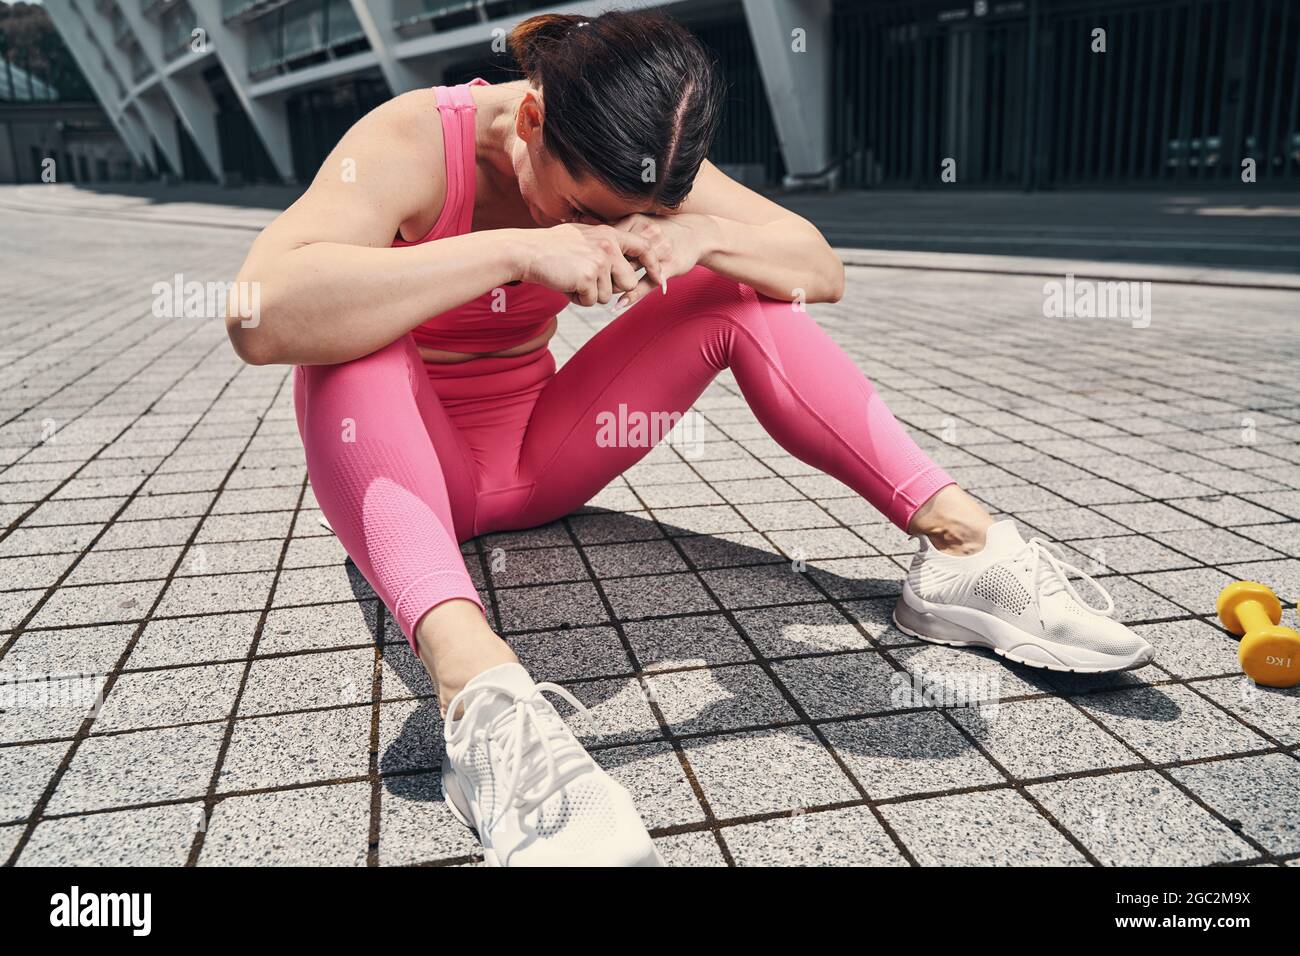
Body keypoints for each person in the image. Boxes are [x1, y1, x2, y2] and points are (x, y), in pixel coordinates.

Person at [226, 10, 1153, 866]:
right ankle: (482, 704)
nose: (592, 233)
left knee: (736, 288)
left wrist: (699, 233)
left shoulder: (648, 151)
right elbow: (259, 316)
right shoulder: (412, 138)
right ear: (537, 115)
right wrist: (511, 251)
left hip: (538, 466)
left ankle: (961, 548)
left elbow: (818, 269)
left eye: (615, 216)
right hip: (405, 477)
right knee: (344, 337)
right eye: (580, 207)